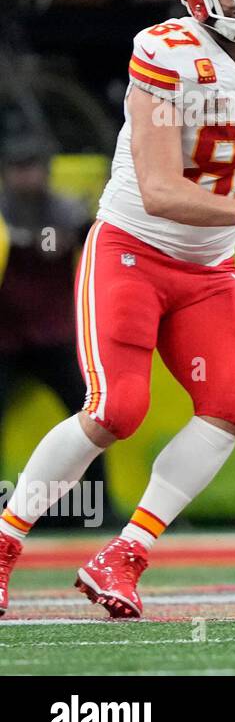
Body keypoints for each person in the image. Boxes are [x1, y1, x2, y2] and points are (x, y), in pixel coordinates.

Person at [0, 0, 235, 618]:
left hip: (209, 269)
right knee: (116, 408)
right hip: (134, 249)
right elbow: (159, 189)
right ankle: (4, 540)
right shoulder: (164, 50)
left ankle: (126, 554)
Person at [0, 135, 109, 527]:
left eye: (32, 168)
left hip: (54, 337)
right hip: (6, 339)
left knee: (93, 416)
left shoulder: (64, 213)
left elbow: (102, 246)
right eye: (18, 169)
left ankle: (98, 508)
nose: (25, 177)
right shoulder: (3, 215)